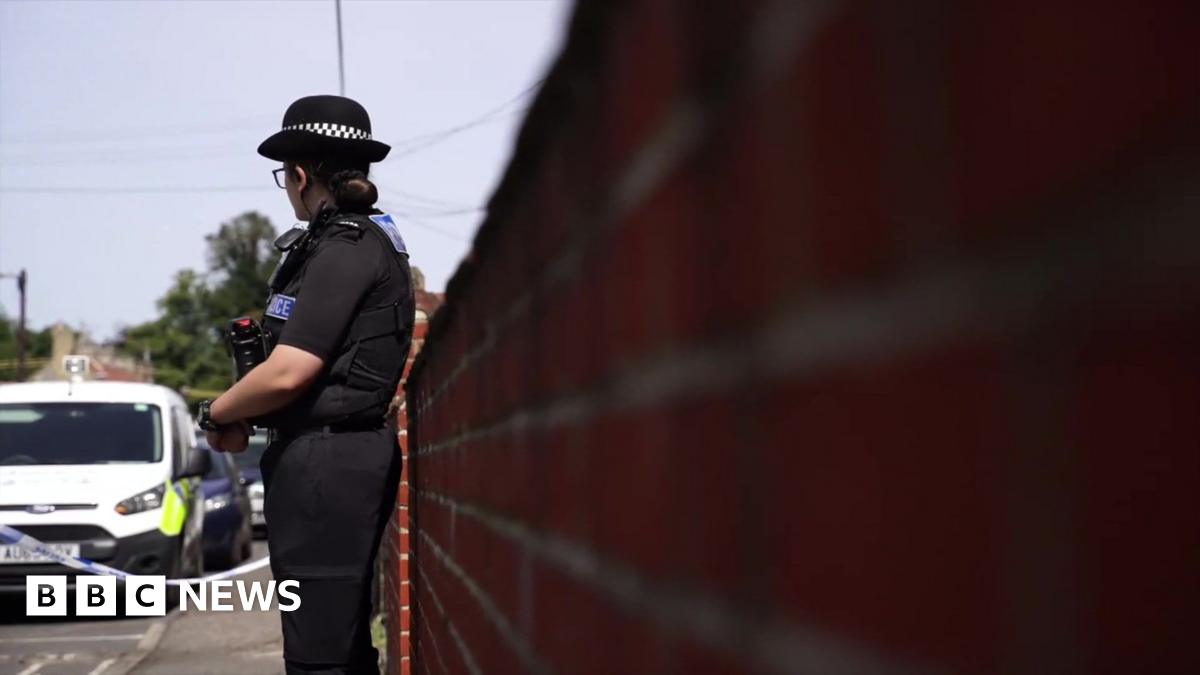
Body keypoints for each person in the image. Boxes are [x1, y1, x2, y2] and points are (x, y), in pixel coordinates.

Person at [196, 95, 415, 675]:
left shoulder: (344, 247)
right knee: (339, 653)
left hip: (328, 467)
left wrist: (215, 412)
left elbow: (292, 369)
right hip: (331, 460)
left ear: (298, 174)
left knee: (318, 659)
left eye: (284, 176)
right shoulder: (350, 241)